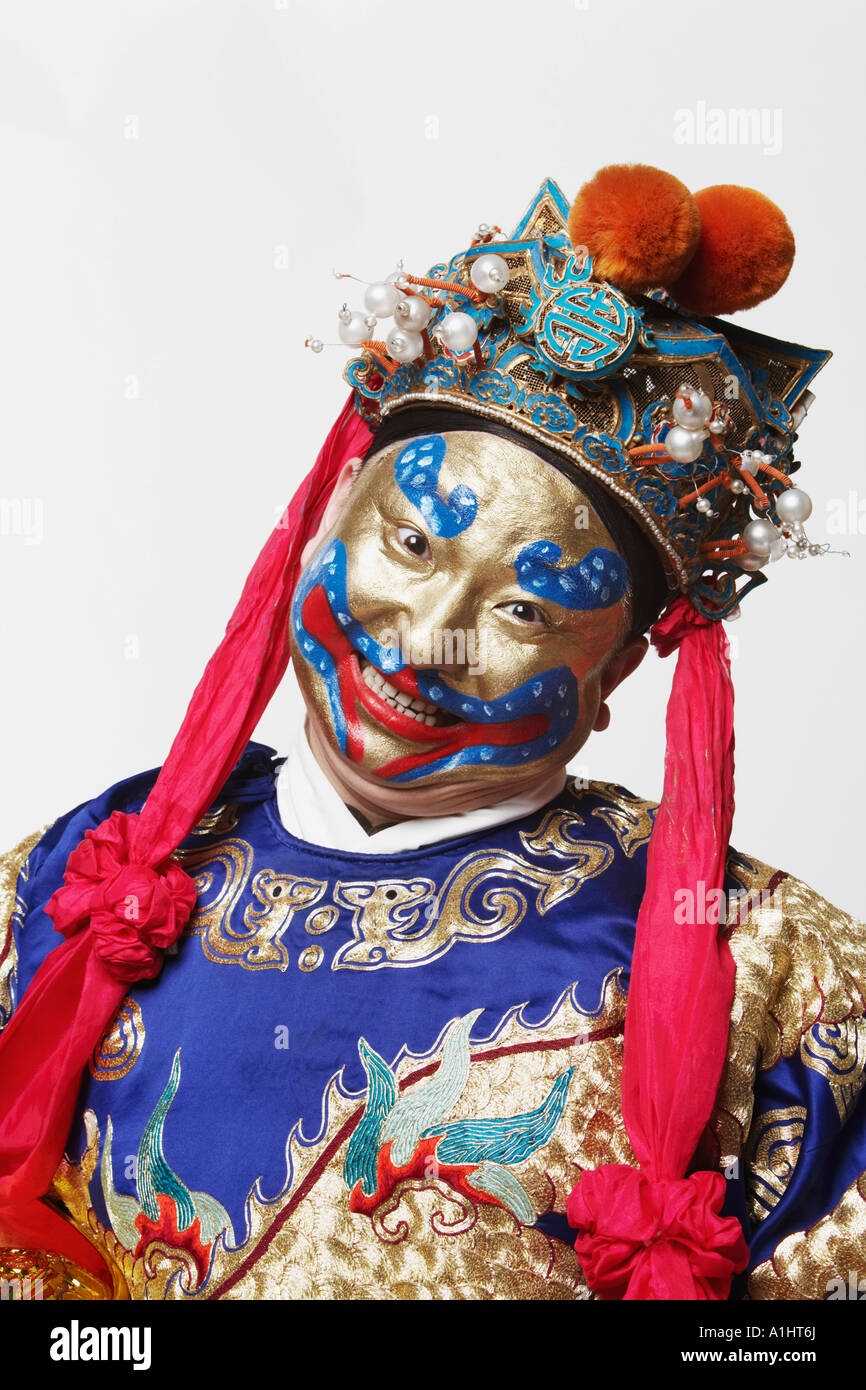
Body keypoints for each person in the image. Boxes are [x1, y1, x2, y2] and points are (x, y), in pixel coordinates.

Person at [0, 164, 863, 1302]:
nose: (422, 643)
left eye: (525, 610)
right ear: (329, 517)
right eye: (410, 544)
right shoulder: (87, 867)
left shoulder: (772, 969)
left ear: (612, 672)